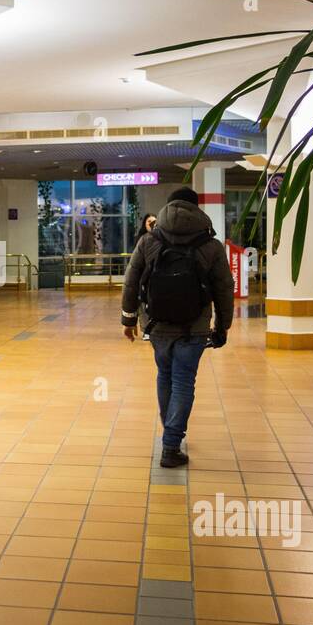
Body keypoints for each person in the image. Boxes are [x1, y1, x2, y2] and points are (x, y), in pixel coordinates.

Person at [121, 186, 234, 468]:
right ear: (197, 209)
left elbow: (131, 281)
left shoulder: (149, 241)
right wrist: (222, 327)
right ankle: (171, 444)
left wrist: (129, 319)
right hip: (193, 327)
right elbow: (224, 290)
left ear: (168, 208)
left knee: (165, 376)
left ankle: (170, 432)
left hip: (157, 325)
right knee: (183, 381)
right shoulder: (211, 246)